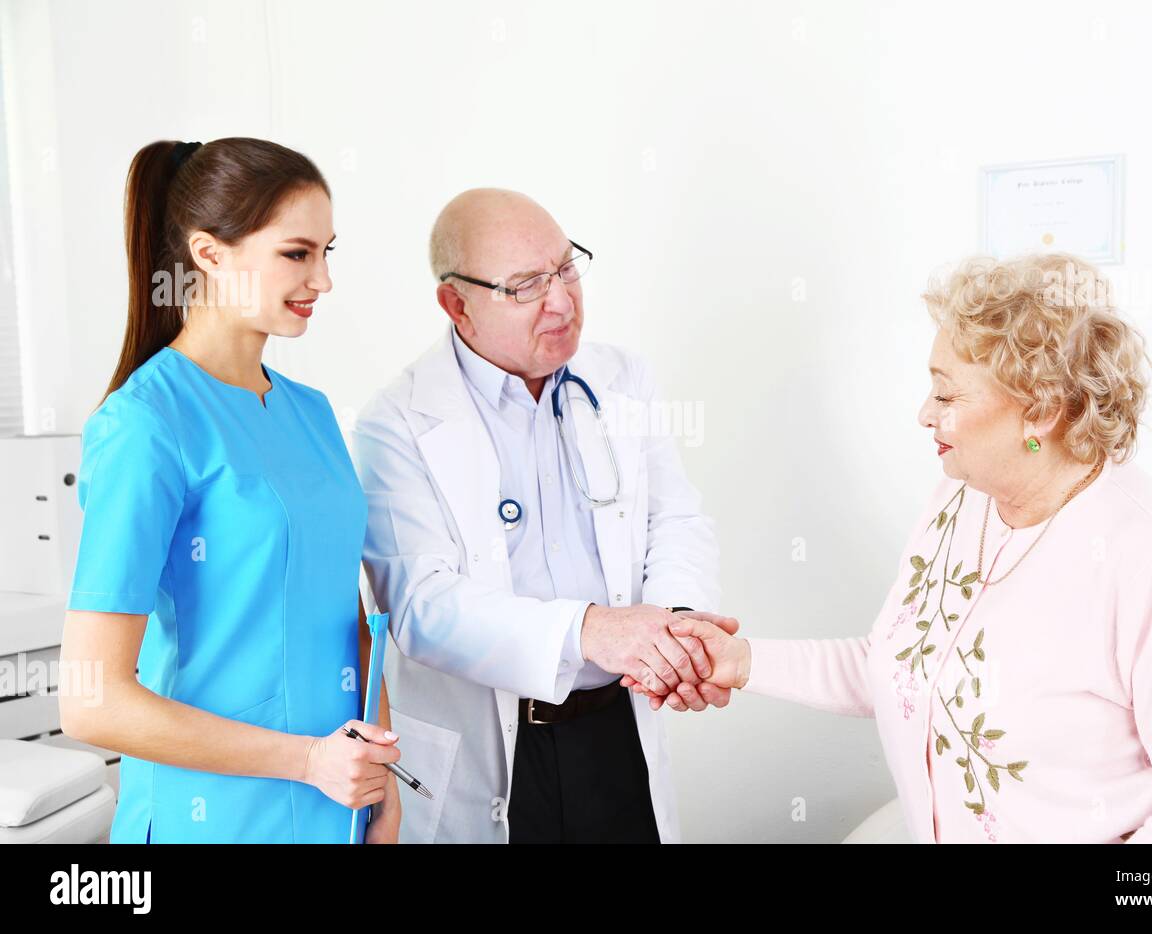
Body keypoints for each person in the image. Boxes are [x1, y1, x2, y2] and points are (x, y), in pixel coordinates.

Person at [630, 254, 1152, 843]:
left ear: (1042, 410)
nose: (923, 413)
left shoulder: (1151, 562)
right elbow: (898, 666)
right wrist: (739, 661)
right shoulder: (961, 497)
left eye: (946, 394)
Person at [352, 188, 730, 843]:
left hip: (616, 724)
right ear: (456, 304)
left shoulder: (622, 379)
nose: (561, 300)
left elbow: (674, 521)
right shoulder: (397, 422)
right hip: (495, 749)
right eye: (526, 285)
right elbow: (421, 606)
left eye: (565, 268)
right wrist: (590, 632)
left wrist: (678, 630)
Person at [59, 137, 401, 843]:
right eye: (297, 253)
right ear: (209, 255)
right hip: (210, 818)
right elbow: (91, 705)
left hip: (335, 807)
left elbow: (353, 616)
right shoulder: (145, 426)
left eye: (327, 252)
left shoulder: (312, 414)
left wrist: (379, 776)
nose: (323, 280)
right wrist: (309, 761)